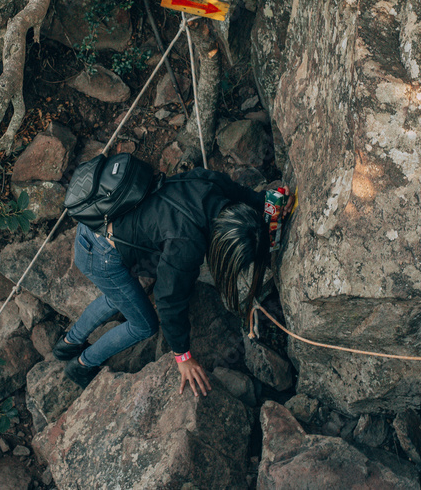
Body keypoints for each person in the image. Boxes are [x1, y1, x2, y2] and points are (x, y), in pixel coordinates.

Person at [54, 168, 270, 396]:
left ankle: (67, 344)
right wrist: (183, 355)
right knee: (144, 325)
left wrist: (266, 202)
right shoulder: (187, 244)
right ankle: (82, 364)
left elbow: (238, 192)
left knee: (118, 297)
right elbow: (169, 299)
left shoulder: (212, 188)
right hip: (100, 254)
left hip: (97, 221)